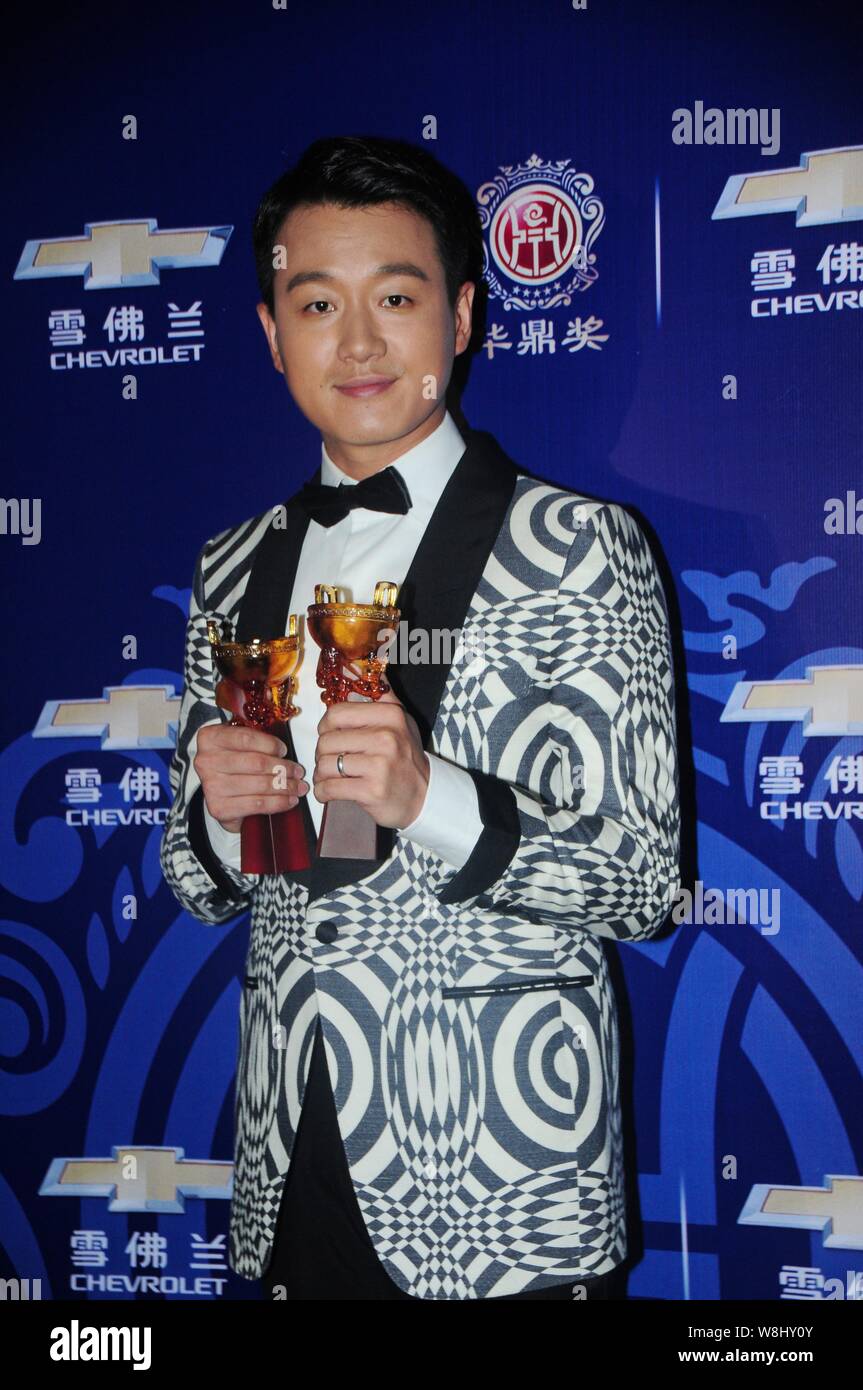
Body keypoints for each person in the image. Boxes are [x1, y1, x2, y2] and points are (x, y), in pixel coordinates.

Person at [160, 133, 680, 1301]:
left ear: (458, 316)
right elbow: (195, 879)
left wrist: (427, 798)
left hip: (507, 1181)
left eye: (394, 297)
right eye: (314, 303)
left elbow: (643, 885)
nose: (355, 342)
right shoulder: (230, 566)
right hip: (293, 1163)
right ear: (268, 333)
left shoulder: (579, 550)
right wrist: (218, 820)